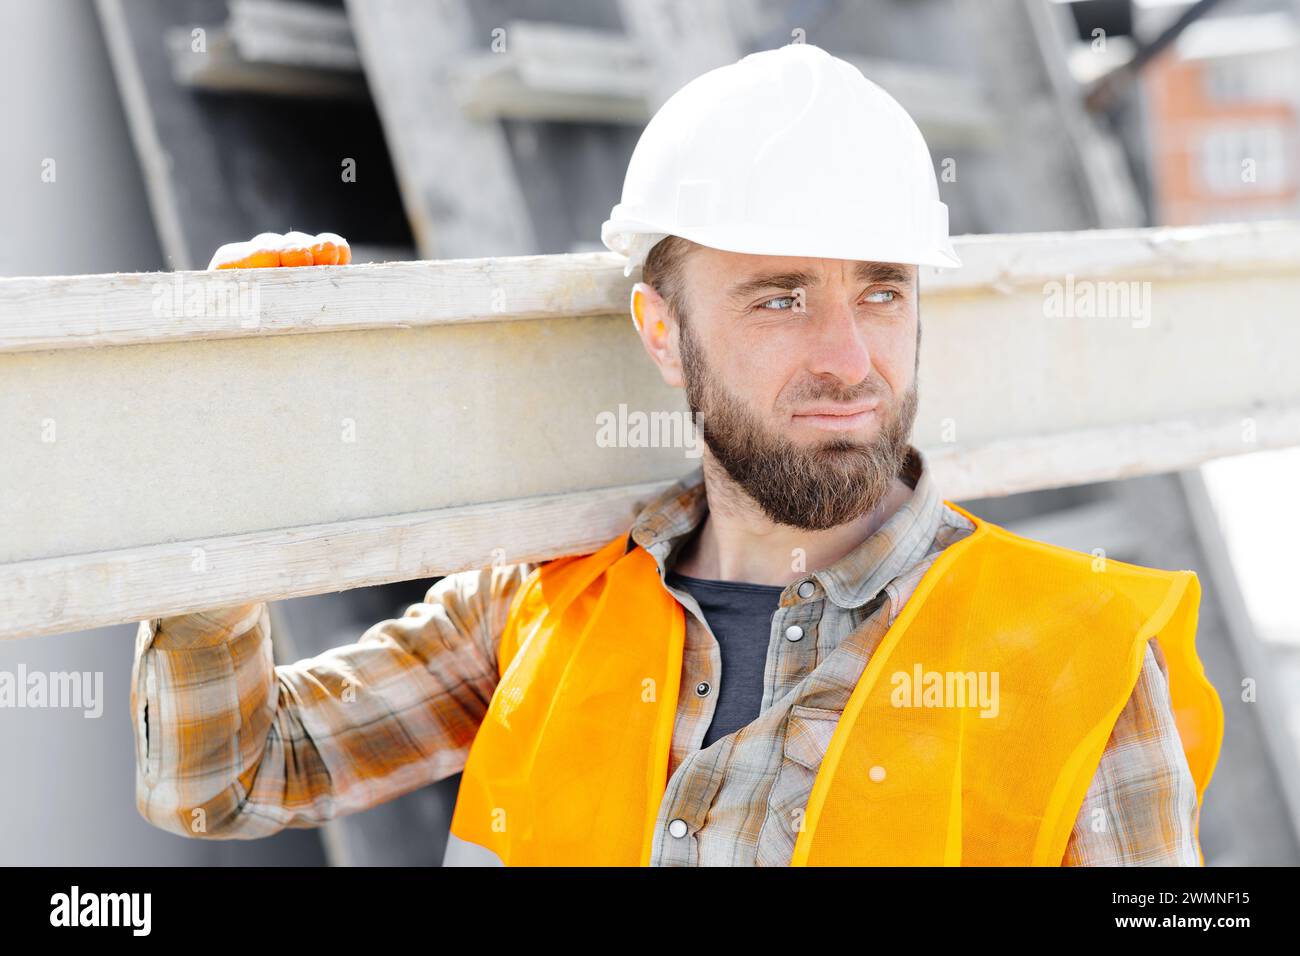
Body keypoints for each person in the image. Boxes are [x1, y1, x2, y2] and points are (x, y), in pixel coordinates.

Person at [132, 42, 1223, 866]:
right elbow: (223, 779)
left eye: (881, 290)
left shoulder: (1083, 661)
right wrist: (237, 434)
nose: (848, 359)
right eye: (780, 296)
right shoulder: (542, 605)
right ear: (664, 333)